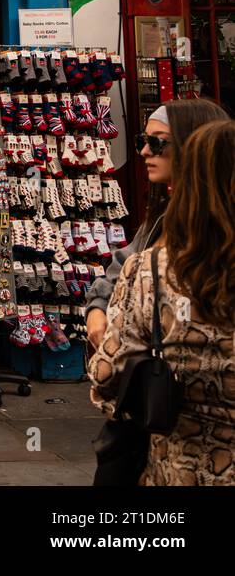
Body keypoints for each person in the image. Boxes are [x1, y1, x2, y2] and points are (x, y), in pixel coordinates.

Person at [88, 119, 235, 485]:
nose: (144, 152)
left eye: (158, 143)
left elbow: (108, 376)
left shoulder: (152, 270)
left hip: (182, 466)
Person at [86, 98, 230, 349]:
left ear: (194, 144)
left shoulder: (216, 222)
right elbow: (121, 267)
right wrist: (97, 308)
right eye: (142, 141)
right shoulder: (163, 217)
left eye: (157, 142)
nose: (144, 151)